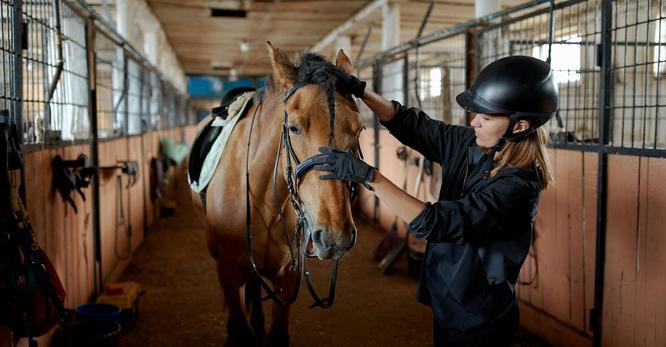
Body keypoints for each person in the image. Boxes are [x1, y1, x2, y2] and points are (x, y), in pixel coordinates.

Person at [311, 56, 558, 346]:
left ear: (519, 127)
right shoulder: (470, 144)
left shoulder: (518, 189)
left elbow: (435, 223)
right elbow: (410, 124)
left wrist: (369, 177)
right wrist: (360, 90)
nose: (473, 121)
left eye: (486, 117)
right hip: (447, 297)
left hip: (478, 317)